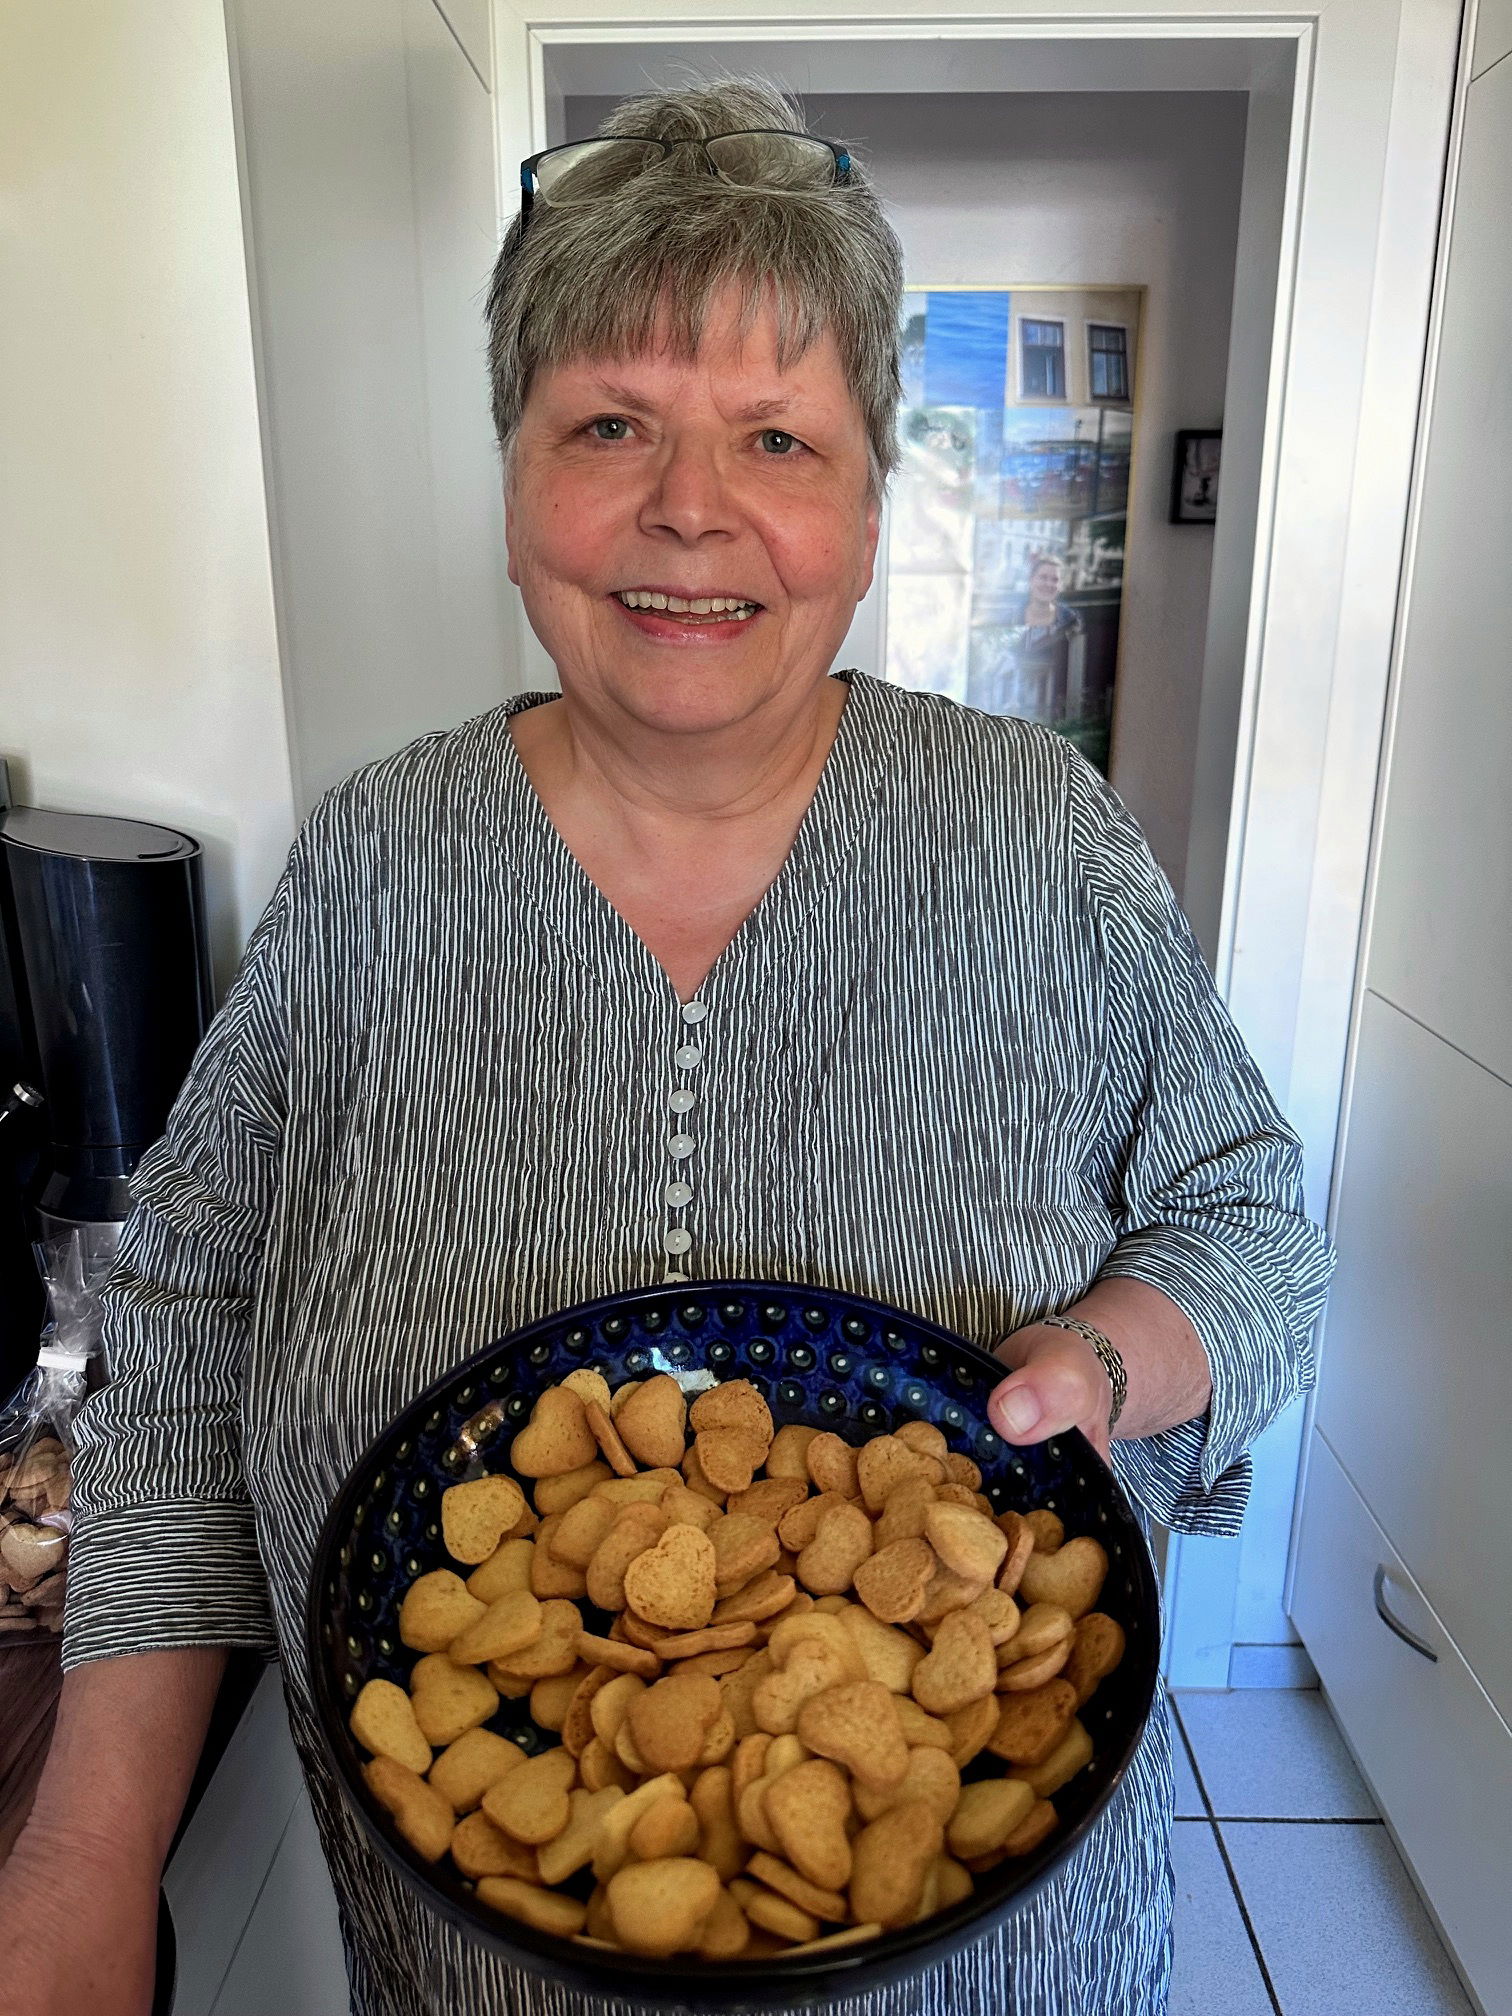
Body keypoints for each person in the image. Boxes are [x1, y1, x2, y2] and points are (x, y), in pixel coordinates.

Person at [0, 79, 1331, 2016]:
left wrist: (1113, 1365)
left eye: (775, 438)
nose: (688, 507)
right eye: (609, 423)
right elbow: (187, 1346)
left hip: (997, 1963)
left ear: (873, 502)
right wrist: (84, 1865)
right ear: (516, 479)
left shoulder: (1038, 837)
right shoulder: (370, 861)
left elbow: (1255, 1227)